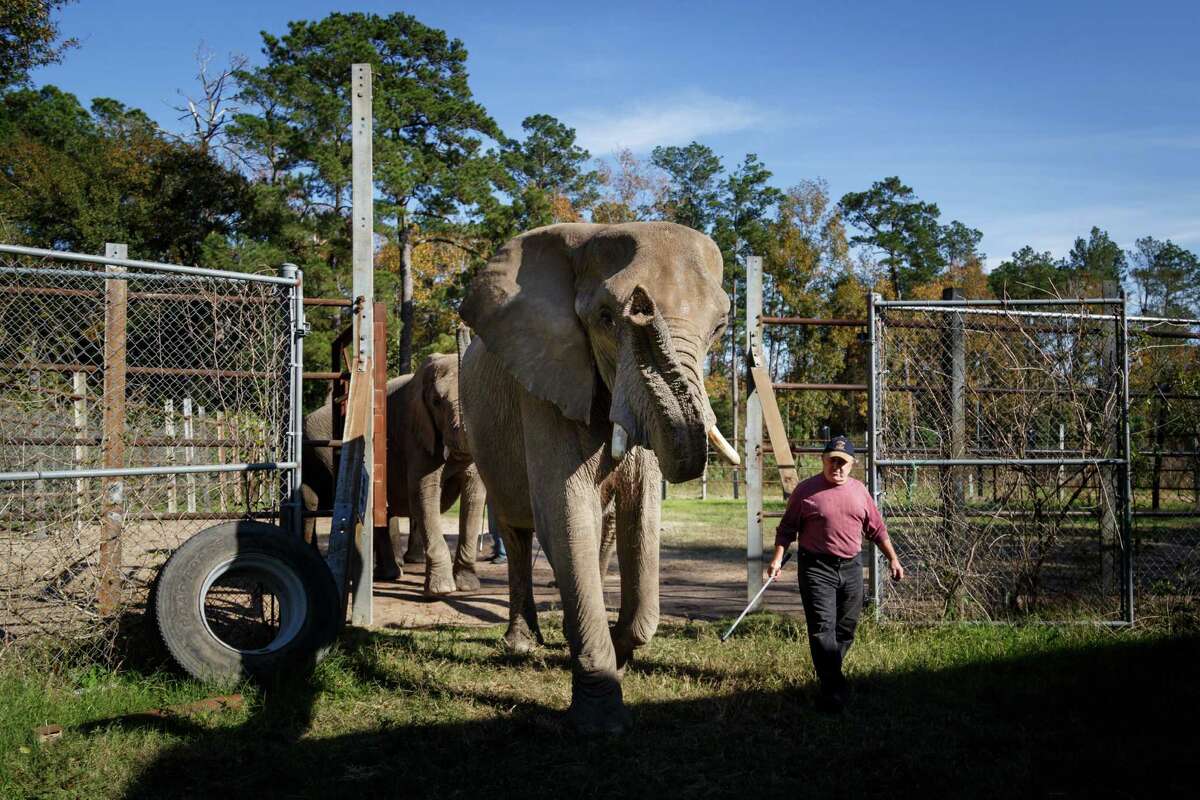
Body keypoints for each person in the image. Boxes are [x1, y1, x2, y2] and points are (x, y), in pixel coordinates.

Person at [767, 435, 903, 712]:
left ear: (852, 465)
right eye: (832, 461)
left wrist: (893, 559)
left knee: (846, 629)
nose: (837, 467)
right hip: (816, 567)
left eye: (843, 463)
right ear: (823, 461)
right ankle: (833, 690)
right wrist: (776, 560)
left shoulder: (859, 491)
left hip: (851, 567)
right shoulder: (806, 491)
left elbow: (877, 529)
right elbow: (786, 528)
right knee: (821, 629)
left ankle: (830, 674)